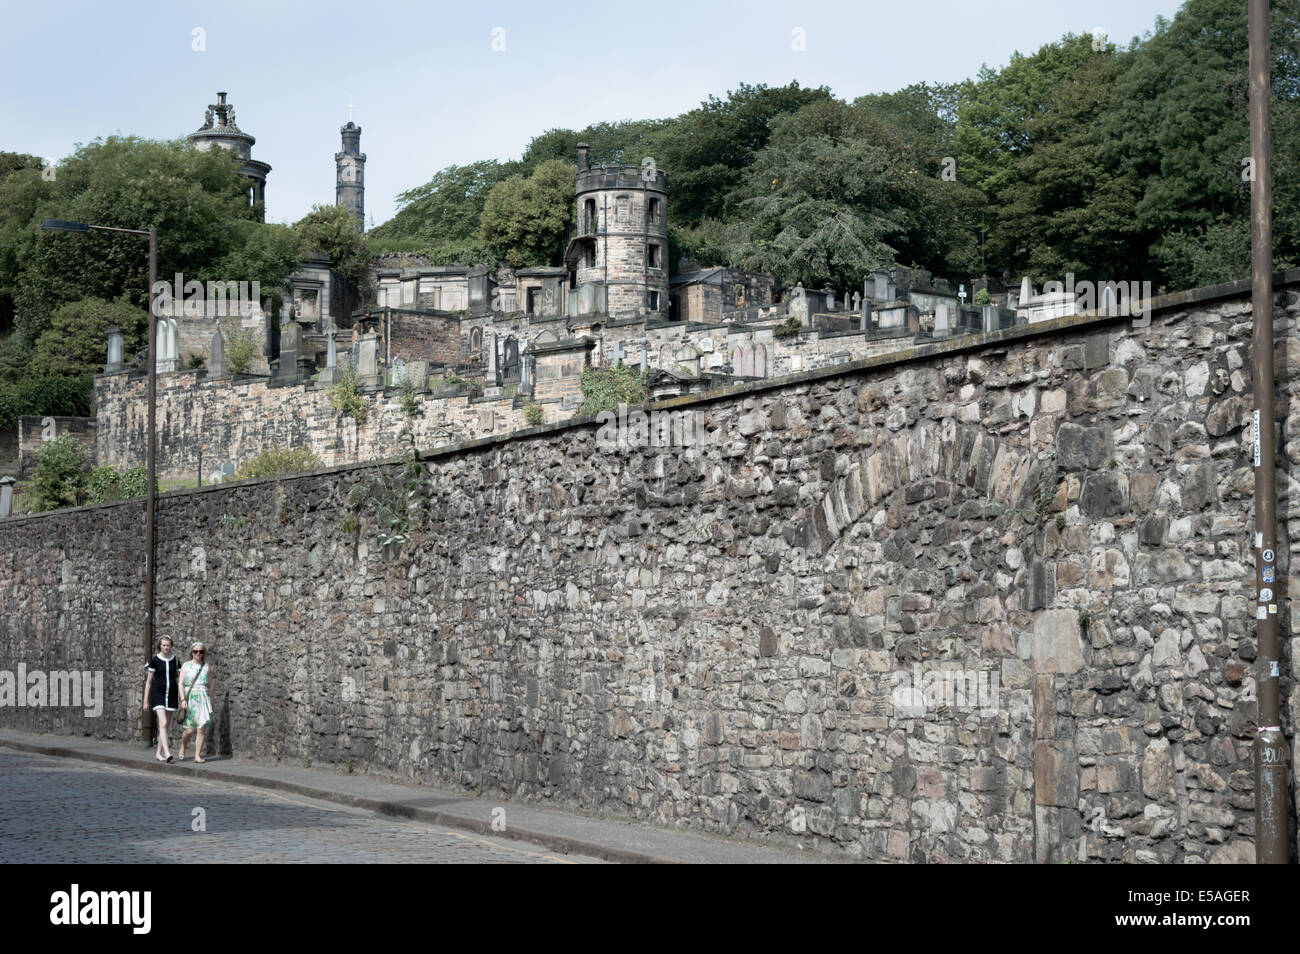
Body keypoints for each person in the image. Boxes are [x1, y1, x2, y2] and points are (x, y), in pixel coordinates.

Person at [142, 637, 180, 762]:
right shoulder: (155, 660)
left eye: (168, 645)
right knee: (163, 723)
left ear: (171, 646)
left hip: (172, 694)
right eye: (163, 645)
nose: (165, 647)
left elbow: (181, 678)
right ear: (160, 646)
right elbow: (148, 682)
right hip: (158, 693)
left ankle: (158, 753)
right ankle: (168, 753)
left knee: (165, 726)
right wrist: (146, 700)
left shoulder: (176, 660)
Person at [177, 642, 214, 763]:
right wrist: (182, 699)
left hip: (203, 698)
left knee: (201, 728)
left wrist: (211, 701)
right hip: (190, 698)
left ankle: (197, 755)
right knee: (190, 730)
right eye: (195, 651)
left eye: (201, 651)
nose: (198, 653)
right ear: (192, 652)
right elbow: (181, 683)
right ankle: (183, 745)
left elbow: (210, 685)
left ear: (204, 653)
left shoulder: (207, 667)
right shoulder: (186, 665)